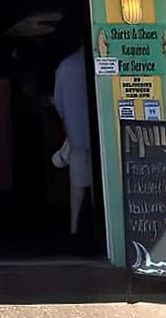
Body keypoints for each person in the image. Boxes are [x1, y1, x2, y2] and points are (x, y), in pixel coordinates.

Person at [53, 44, 92, 235]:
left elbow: (59, 103)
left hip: (76, 135)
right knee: (100, 183)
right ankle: (99, 226)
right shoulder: (97, 61)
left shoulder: (65, 65)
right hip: (103, 136)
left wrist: (68, 121)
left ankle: (74, 228)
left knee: (77, 184)